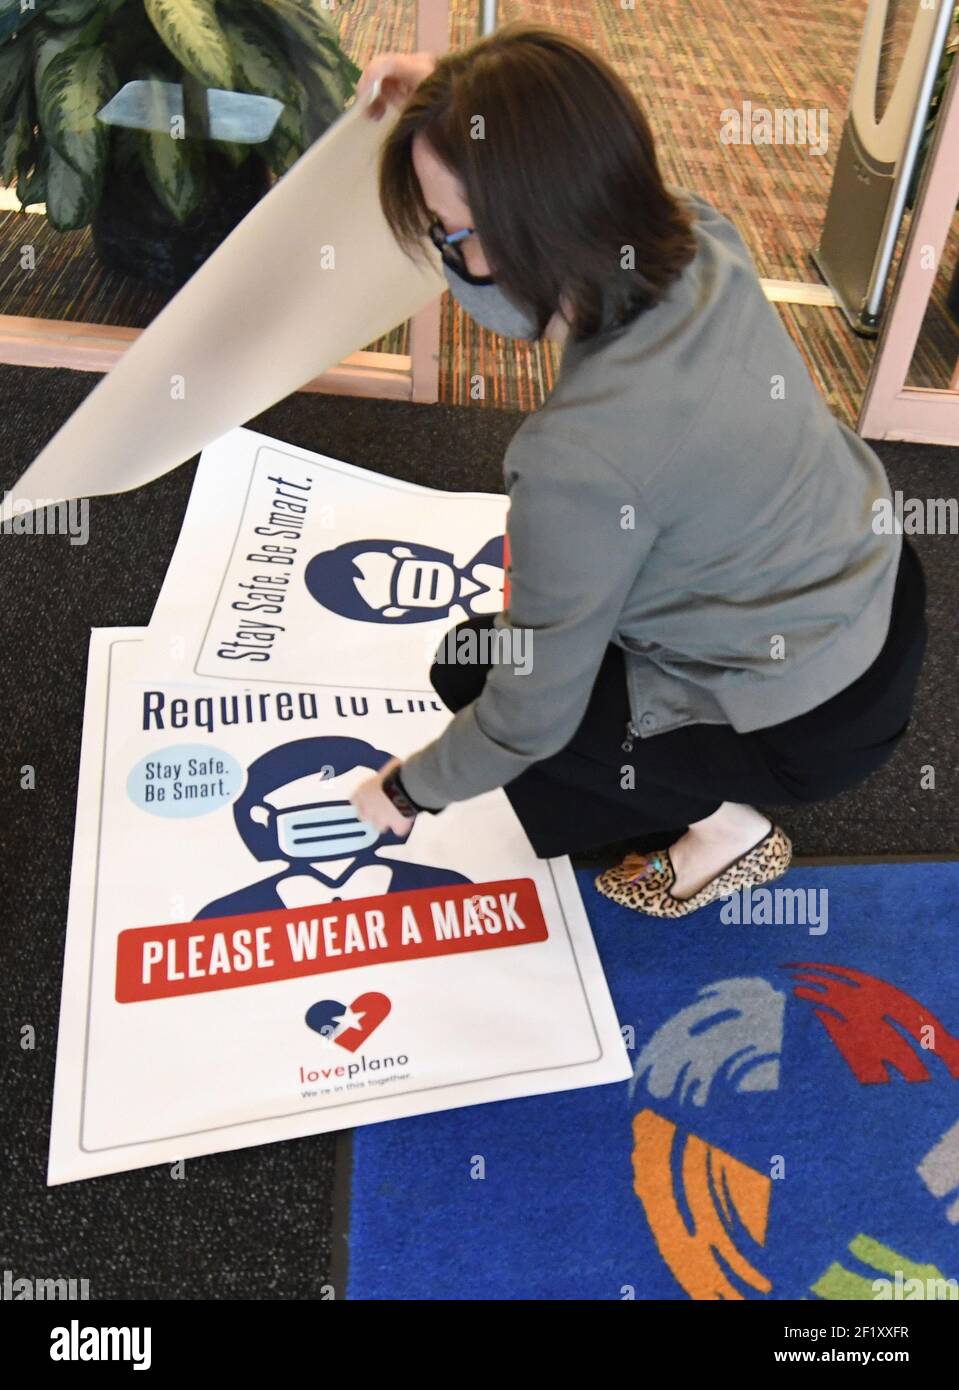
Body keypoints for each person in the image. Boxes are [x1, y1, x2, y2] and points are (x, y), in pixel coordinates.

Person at [350, 23, 927, 919]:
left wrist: (403, 791)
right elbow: (577, 155)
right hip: (877, 587)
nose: (445, 254)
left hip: (811, 722)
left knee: (474, 668)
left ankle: (724, 828)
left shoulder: (576, 461)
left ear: (511, 241)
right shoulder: (701, 236)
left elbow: (523, 721)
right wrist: (454, 106)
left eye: (445, 231)